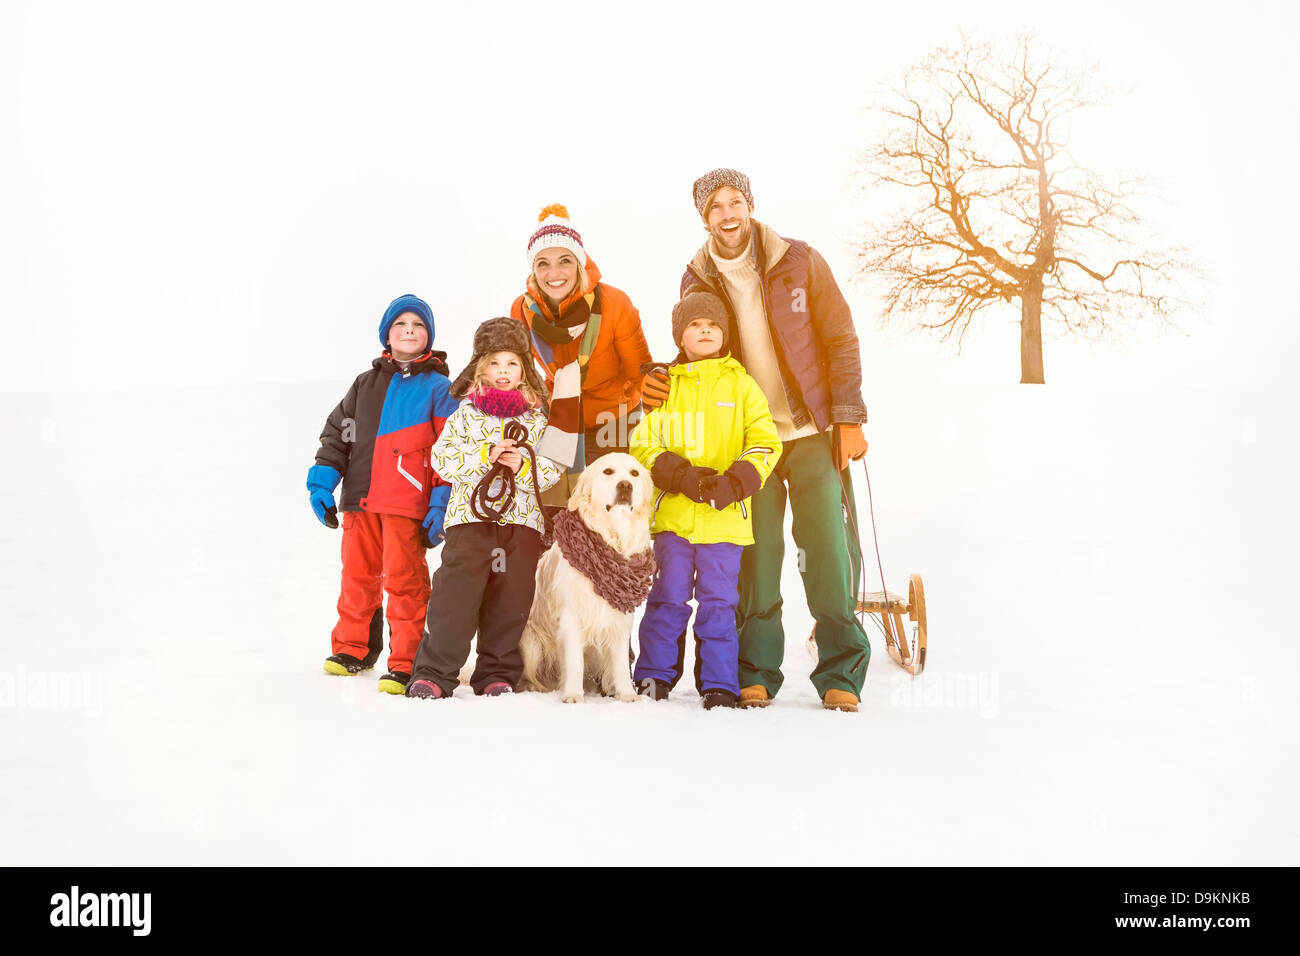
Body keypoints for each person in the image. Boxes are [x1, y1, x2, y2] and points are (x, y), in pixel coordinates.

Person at [652, 168, 871, 712]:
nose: (727, 215)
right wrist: (657, 379)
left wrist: (848, 415)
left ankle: (841, 669)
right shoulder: (697, 277)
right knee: (758, 554)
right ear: (704, 217)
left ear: (748, 204)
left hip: (812, 429)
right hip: (750, 441)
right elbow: (696, 348)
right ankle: (756, 670)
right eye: (715, 208)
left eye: (734, 202)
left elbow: (840, 335)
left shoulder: (799, 260)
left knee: (825, 550)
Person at [630, 291, 780, 709]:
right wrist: (680, 476)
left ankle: (719, 683)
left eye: (713, 325)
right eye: (695, 325)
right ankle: (654, 676)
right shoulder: (665, 385)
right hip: (674, 518)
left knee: (719, 602)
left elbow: (766, 442)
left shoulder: (743, 385)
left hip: (726, 521)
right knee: (667, 597)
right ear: (681, 337)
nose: (705, 331)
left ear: (725, 334)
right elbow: (644, 444)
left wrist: (736, 482)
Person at [306, 294, 459, 694]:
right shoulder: (365, 383)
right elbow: (337, 435)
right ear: (386, 335)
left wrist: (439, 504)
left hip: (406, 505)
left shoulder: (440, 388)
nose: (409, 330)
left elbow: (449, 452)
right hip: (360, 500)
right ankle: (352, 650)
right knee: (356, 578)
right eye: (400, 324)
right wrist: (322, 482)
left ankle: (407, 661)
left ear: (428, 337)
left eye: (418, 325)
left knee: (405, 583)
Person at [406, 318, 564, 700]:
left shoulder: (538, 420)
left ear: (524, 368)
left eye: (511, 363)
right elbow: (443, 459)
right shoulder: (465, 415)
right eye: (494, 363)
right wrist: (484, 456)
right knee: (455, 598)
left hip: (520, 525)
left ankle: (497, 673)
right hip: (470, 522)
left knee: (510, 600)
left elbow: (553, 469)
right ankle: (434, 673)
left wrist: (522, 465)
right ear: (480, 368)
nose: (503, 372)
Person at [510, 204, 653, 531]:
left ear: (579, 262)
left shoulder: (614, 303)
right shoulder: (523, 309)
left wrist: (665, 415)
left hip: (613, 418)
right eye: (542, 264)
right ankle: (559, 576)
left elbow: (640, 373)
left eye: (564, 261)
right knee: (560, 510)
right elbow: (522, 375)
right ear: (533, 270)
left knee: (611, 511)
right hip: (560, 416)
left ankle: (613, 577)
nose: (554, 273)